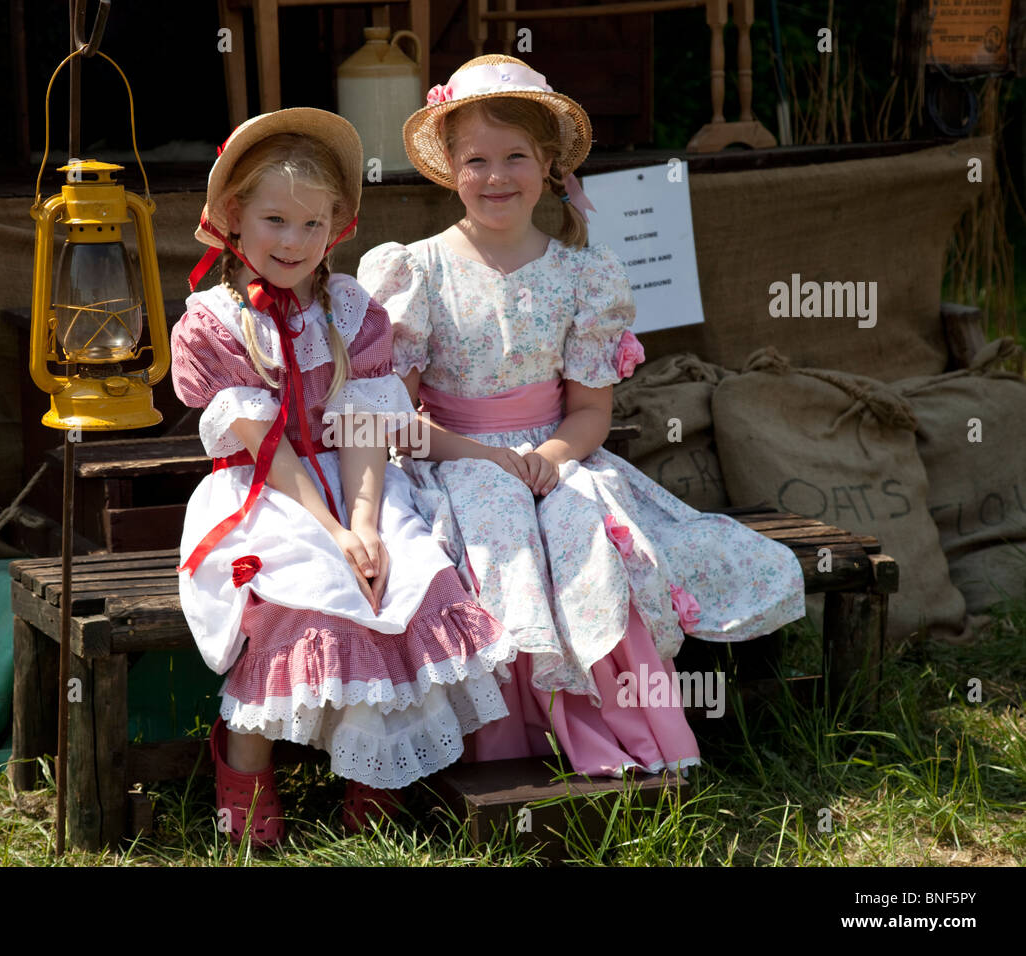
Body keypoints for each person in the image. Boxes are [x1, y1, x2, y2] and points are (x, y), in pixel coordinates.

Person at [356, 56, 806, 778]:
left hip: (556, 457)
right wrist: (478, 454)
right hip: (452, 460)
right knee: (499, 535)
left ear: (548, 166)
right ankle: (507, 747)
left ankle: (617, 734)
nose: (496, 176)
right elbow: (394, 416)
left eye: (515, 158)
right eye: (477, 160)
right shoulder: (418, 272)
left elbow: (592, 410)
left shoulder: (581, 276)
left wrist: (556, 457)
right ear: (449, 167)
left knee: (587, 534)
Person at [171, 108, 517, 848]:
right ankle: (245, 770)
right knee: (306, 590)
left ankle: (379, 771)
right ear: (233, 216)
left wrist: (364, 523)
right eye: (274, 221)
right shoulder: (213, 322)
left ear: (338, 227)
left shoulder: (351, 310)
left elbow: (364, 429)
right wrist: (333, 533)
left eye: (311, 226)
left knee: (406, 575)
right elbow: (267, 450)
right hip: (264, 490)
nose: (292, 242)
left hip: (353, 480)